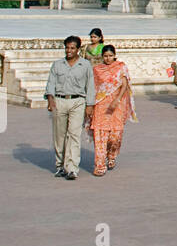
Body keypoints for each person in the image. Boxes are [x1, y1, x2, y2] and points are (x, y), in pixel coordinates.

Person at [45, 35, 96, 180]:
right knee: (59, 135)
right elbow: (51, 84)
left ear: (78, 49)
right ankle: (60, 165)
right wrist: (50, 100)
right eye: (67, 47)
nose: (69, 51)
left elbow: (90, 86)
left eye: (72, 48)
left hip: (78, 101)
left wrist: (90, 105)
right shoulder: (57, 64)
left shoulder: (85, 65)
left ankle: (72, 168)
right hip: (60, 101)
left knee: (74, 135)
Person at [86, 45, 135, 176]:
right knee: (100, 135)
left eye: (110, 56)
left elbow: (125, 85)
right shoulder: (97, 70)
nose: (108, 58)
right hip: (101, 105)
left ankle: (111, 156)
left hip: (117, 106)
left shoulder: (120, 67)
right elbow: (93, 87)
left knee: (115, 136)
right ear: (102, 57)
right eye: (105, 56)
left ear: (114, 55)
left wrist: (117, 100)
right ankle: (100, 166)